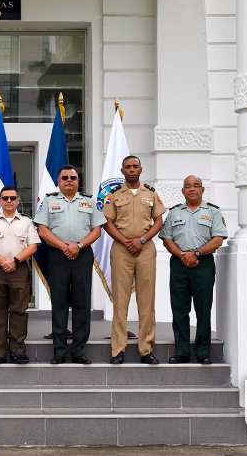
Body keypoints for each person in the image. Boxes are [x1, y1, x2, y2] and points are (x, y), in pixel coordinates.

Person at [34, 165, 105, 365]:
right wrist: (64, 246)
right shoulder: (49, 201)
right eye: (64, 177)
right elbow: (42, 230)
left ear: (78, 181)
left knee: (82, 303)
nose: (68, 180)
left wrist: (79, 245)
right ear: (58, 181)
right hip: (57, 256)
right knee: (59, 304)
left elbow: (97, 230)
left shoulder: (89, 201)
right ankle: (59, 351)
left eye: (72, 177)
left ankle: (79, 351)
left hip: (82, 256)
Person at [103, 155, 165, 365]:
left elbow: (158, 221)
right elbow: (108, 223)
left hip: (145, 249)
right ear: (122, 171)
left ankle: (146, 349)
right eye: (127, 167)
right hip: (121, 249)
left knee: (147, 301)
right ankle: (117, 349)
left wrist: (142, 240)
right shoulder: (114, 195)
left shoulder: (151, 193)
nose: (131, 170)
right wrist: (126, 241)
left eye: (135, 166)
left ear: (141, 169)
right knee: (120, 301)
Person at [159, 175, 228, 365]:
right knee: (179, 309)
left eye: (196, 186)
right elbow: (166, 238)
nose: (192, 189)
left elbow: (218, 239)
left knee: (203, 309)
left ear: (202, 190)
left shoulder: (213, 212)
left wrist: (196, 253)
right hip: (179, 264)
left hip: (203, 264)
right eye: (188, 186)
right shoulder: (174, 212)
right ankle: (181, 352)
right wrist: (182, 255)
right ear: (183, 191)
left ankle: (203, 351)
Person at [0, 185, 40, 364]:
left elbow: (33, 246)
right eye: (5, 198)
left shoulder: (26, 222)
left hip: (19, 269)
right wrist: (3, 261)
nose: (8, 201)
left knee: (19, 311)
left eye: (12, 198)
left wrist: (14, 261)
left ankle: (18, 350)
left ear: (18, 201)